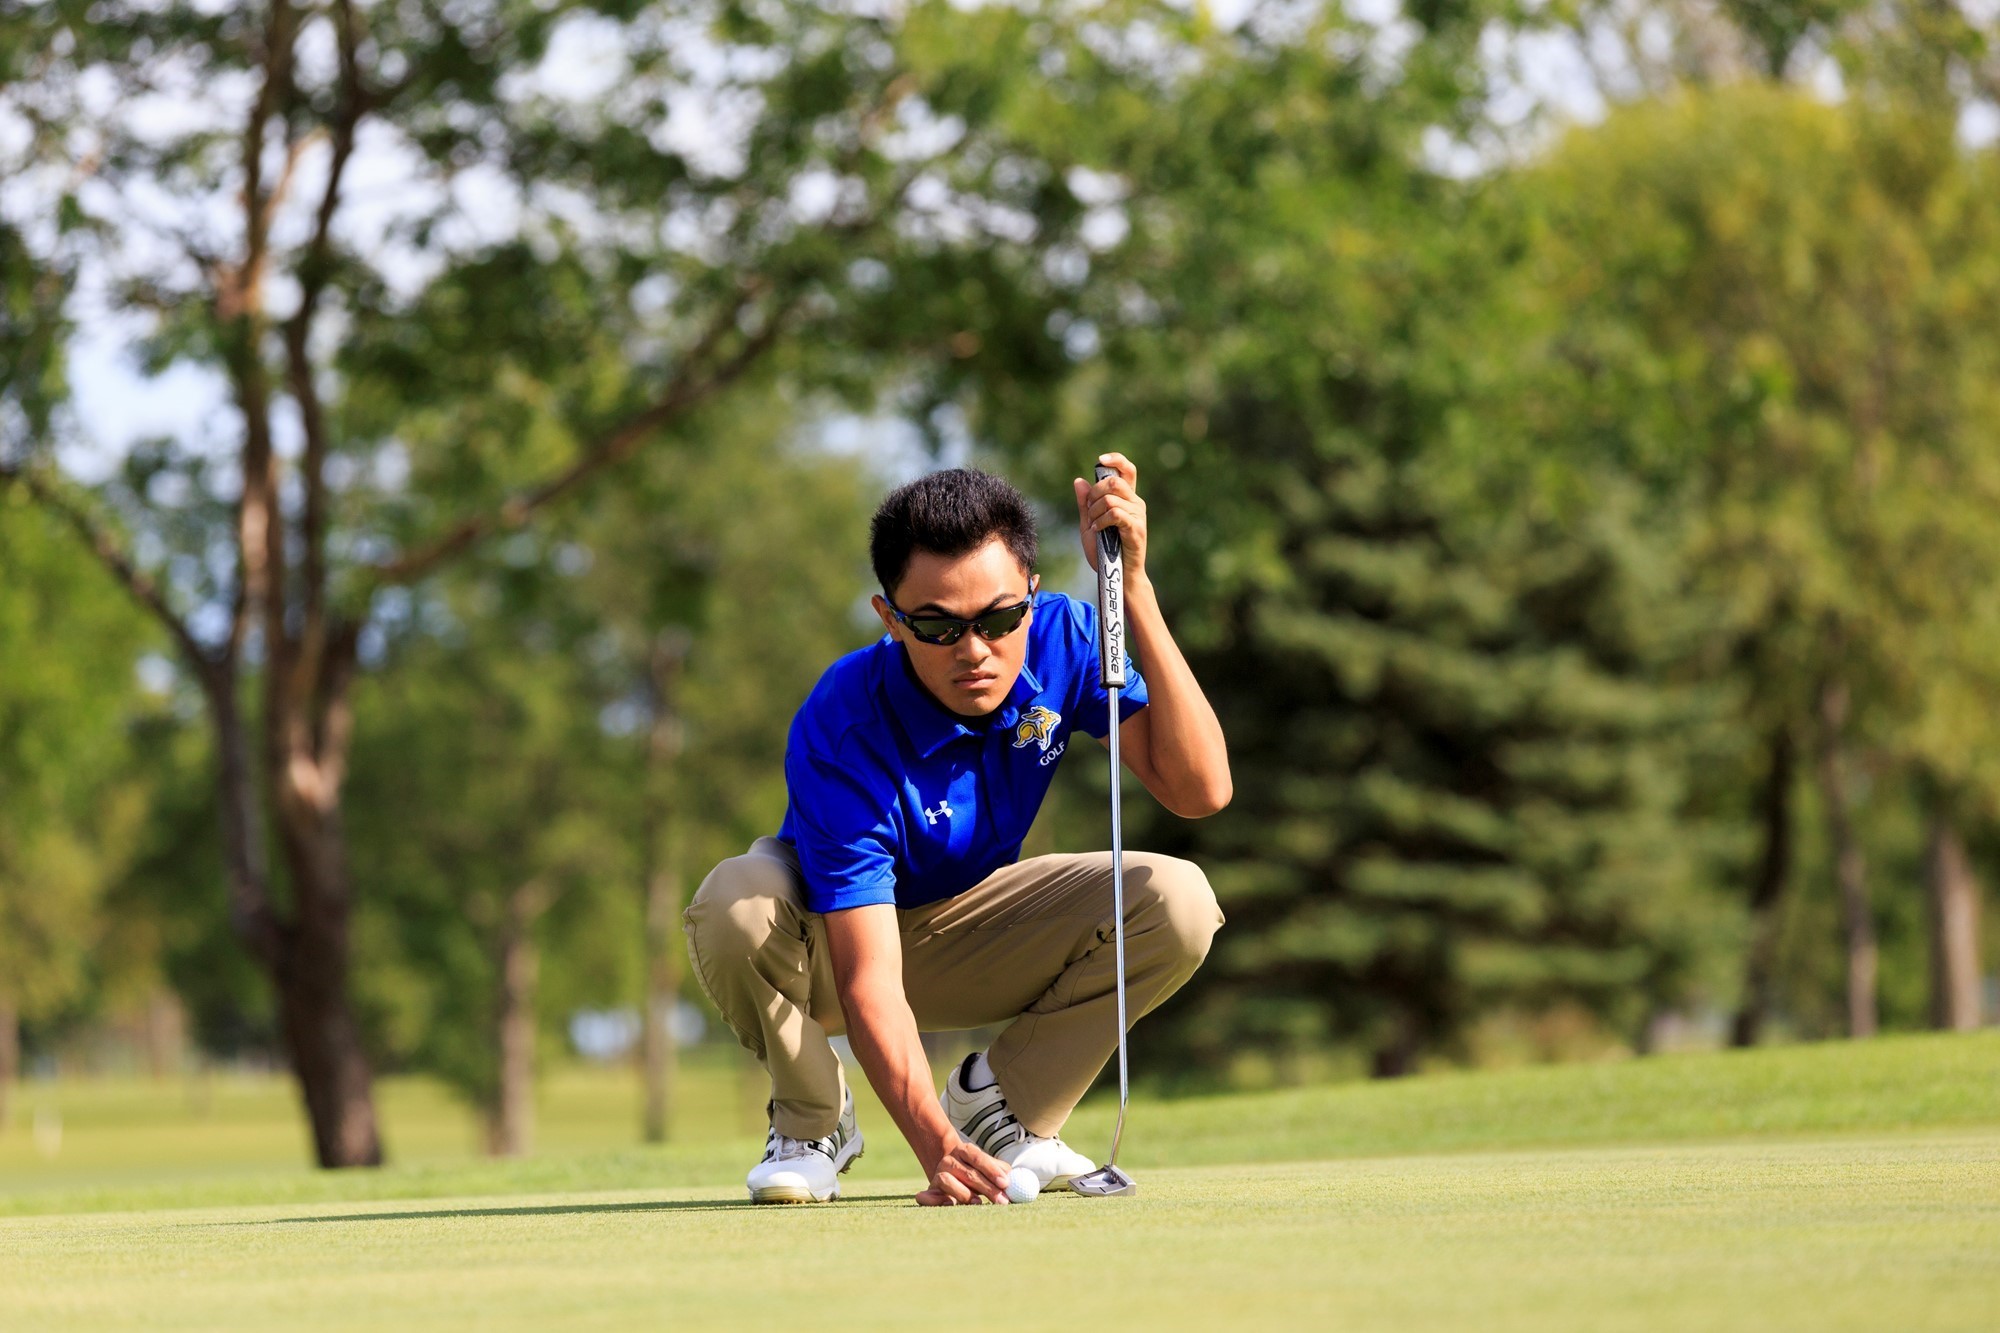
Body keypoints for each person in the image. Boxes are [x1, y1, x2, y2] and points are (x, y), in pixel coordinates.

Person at [683, 454, 1231, 1205]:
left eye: (1001, 618)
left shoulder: (1069, 639)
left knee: (1179, 898)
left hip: (968, 927)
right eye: (938, 625)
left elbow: (1201, 789)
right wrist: (931, 1146)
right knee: (733, 903)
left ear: (1033, 594)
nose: (974, 650)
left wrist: (1133, 587)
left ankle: (1003, 1107)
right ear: (889, 616)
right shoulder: (845, 719)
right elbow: (869, 978)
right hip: (828, 947)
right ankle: (815, 1121)